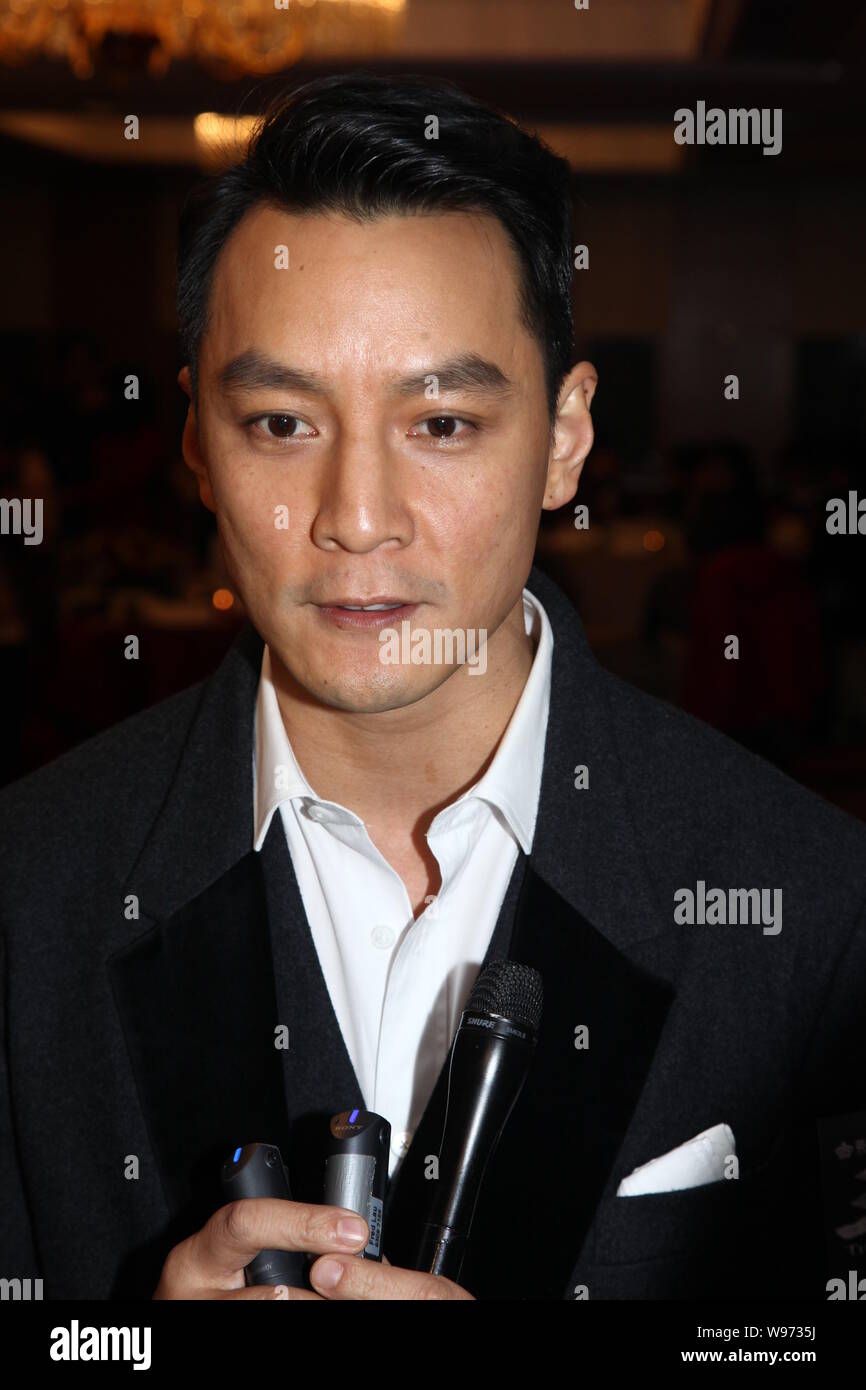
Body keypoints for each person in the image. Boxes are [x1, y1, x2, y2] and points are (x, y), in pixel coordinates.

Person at [2, 72, 865, 1303]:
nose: (357, 520)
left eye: (443, 423)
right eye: (282, 423)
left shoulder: (814, 903)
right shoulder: (29, 889)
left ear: (563, 437)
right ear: (198, 440)